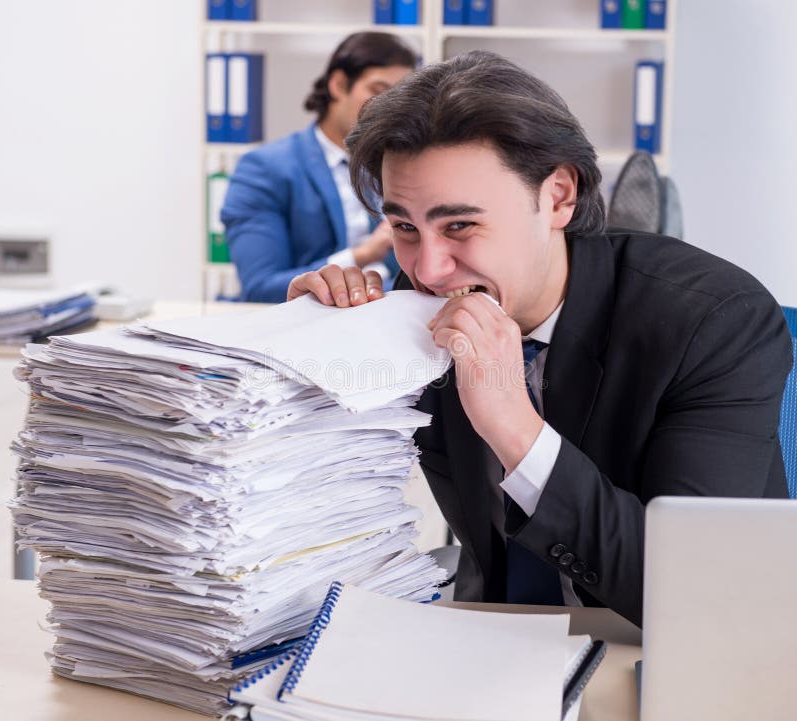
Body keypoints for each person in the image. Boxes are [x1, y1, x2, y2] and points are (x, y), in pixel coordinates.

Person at [286, 51, 793, 628]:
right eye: (405, 227)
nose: (428, 268)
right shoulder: (423, 300)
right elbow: (312, 494)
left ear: (557, 197)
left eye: (460, 226)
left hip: (664, 652)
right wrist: (304, 356)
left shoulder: (715, 320)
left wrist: (516, 427)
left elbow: (694, 593)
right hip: (491, 637)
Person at [221, 32, 418, 302]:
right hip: (308, 319)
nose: (388, 108)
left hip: (388, 314)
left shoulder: (400, 164)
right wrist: (362, 255)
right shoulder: (265, 168)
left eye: (398, 97)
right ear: (339, 85)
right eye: (378, 91)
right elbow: (260, 286)